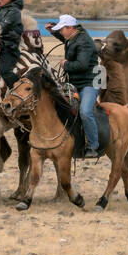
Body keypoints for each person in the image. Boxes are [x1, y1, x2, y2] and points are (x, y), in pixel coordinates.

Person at [46, 14, 101, 158]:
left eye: (62, 29)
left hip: (89, 83)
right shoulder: (73, 36)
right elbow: (66, 40)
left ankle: (93, 146)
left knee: (85, 112)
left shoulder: (84, 42)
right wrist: (54, 31)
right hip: (75, 82)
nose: (61, 32)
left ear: (70, 28)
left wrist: (65, 64)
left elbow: (82, 65)